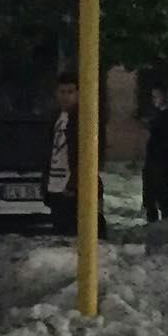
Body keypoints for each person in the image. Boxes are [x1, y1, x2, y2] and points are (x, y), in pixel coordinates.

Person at [41, 72, 107, 238]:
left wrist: (74, 185)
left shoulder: (84, 118)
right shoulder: (55, 118)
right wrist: (46, 185)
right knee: (61, 236)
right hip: (55, 187)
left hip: (74, 189)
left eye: (70, 92)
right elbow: (48, 152)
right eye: (62, 92)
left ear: (78, 93)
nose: (65, 97)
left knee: (78, 235)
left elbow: (90, 155)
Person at [143, 83, 168, 222]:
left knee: (162, 197)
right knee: (149, 198)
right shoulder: (157, 114)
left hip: (163, 162)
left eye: (156, 96)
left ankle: (165, 226)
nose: (154, 100)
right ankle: (152, 225)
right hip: (152, 161)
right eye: (153, 97)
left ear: (165, 96)